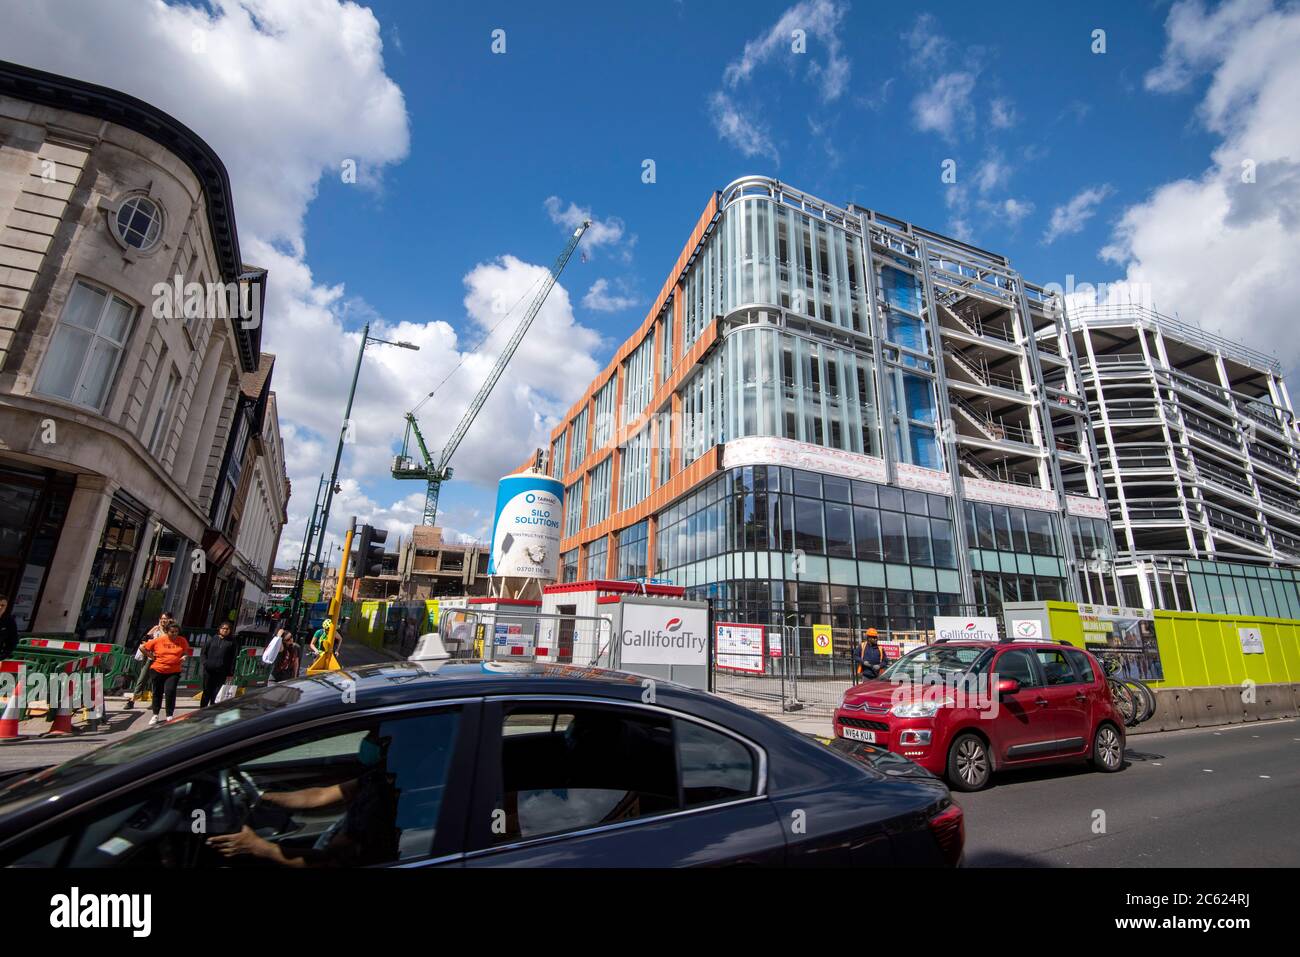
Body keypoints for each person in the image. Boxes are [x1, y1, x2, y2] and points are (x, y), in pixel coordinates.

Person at [206, 729, 399, 867]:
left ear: (389, 747)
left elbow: (329, 861)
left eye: (374, 736)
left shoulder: (382, 801)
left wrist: (258, 847)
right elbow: (319, 796)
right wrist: (261, 796)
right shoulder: (375, 779)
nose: (367, 740)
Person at [139, 622, 191, 725]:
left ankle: (169, 715)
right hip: (158, 670)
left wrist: (184, 656)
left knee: (170, 691)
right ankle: (155, 714)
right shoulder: (159, 640)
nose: (175, 634)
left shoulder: (182, 640)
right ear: (167, 631)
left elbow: (186, 651)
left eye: (176, 632)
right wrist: (151, 656)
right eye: (172, 632)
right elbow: (142, 647)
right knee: (157, 692)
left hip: (174, 671)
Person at [125, 612, 172, 709]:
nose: (163, 621)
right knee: (142, 678)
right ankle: (132, 700)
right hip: (150, 657)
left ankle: (155, 702)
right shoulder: (155, 629)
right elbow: (144, 640)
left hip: (161, 660)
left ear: (170, 620)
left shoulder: (170, 631)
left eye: (166, 619)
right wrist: (149, 648)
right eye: (162, 618)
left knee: (157, 681)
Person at [200, 622, 239, 708]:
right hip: (208, 670)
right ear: (219, 629)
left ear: (230, 630)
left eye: (227, 629)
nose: (225, 630)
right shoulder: (212, 639)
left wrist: (230, 673)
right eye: (223, 628)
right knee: (206, 691)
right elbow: (203, 652)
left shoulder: (232, 642)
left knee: (216, 692)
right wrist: (205, 663)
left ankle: (212, 710)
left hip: (222, 672)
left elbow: (233, 659)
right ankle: (202, 710)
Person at [0, 595, 19, 662]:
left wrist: (3, 655)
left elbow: (13, 640)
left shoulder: (9, 620)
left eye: (3, 605)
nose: (0, 607)